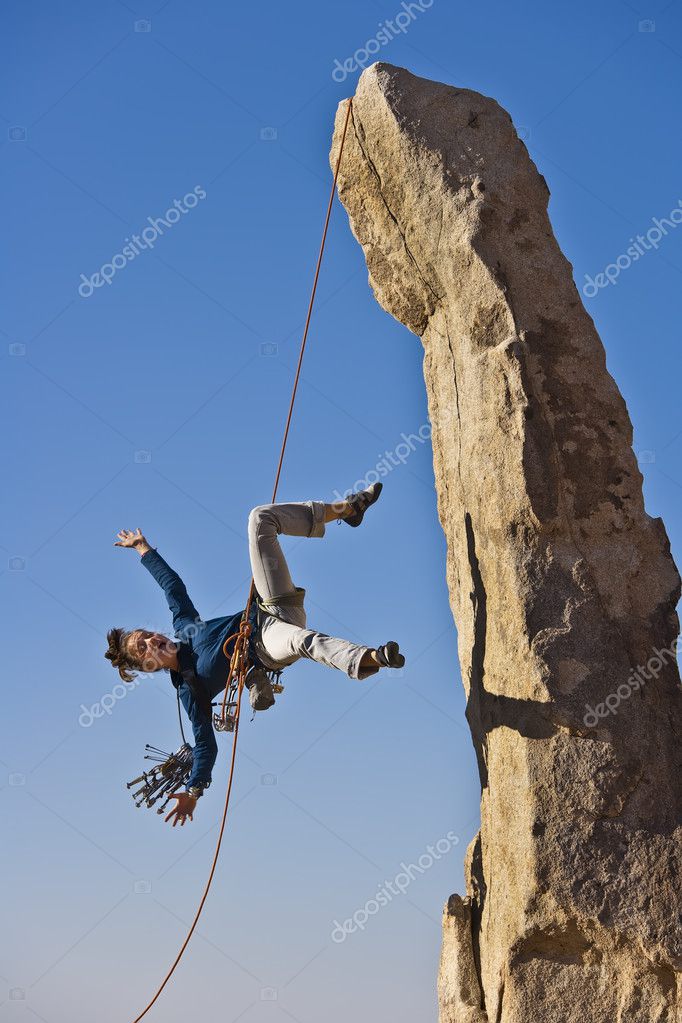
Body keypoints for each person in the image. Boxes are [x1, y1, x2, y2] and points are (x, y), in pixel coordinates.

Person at [105, 484, 405, 826]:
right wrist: (193, 790)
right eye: (143, 647)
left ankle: (347, 511)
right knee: (303, 641)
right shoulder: (190, 689)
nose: (151, 640)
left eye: (147, 635)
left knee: (260, 519)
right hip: (268, 643)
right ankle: (371, 658)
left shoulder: (185, 629)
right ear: (148, 666)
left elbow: (173, 587)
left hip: (272, 606)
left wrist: (143, 548)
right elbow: (205, 746)